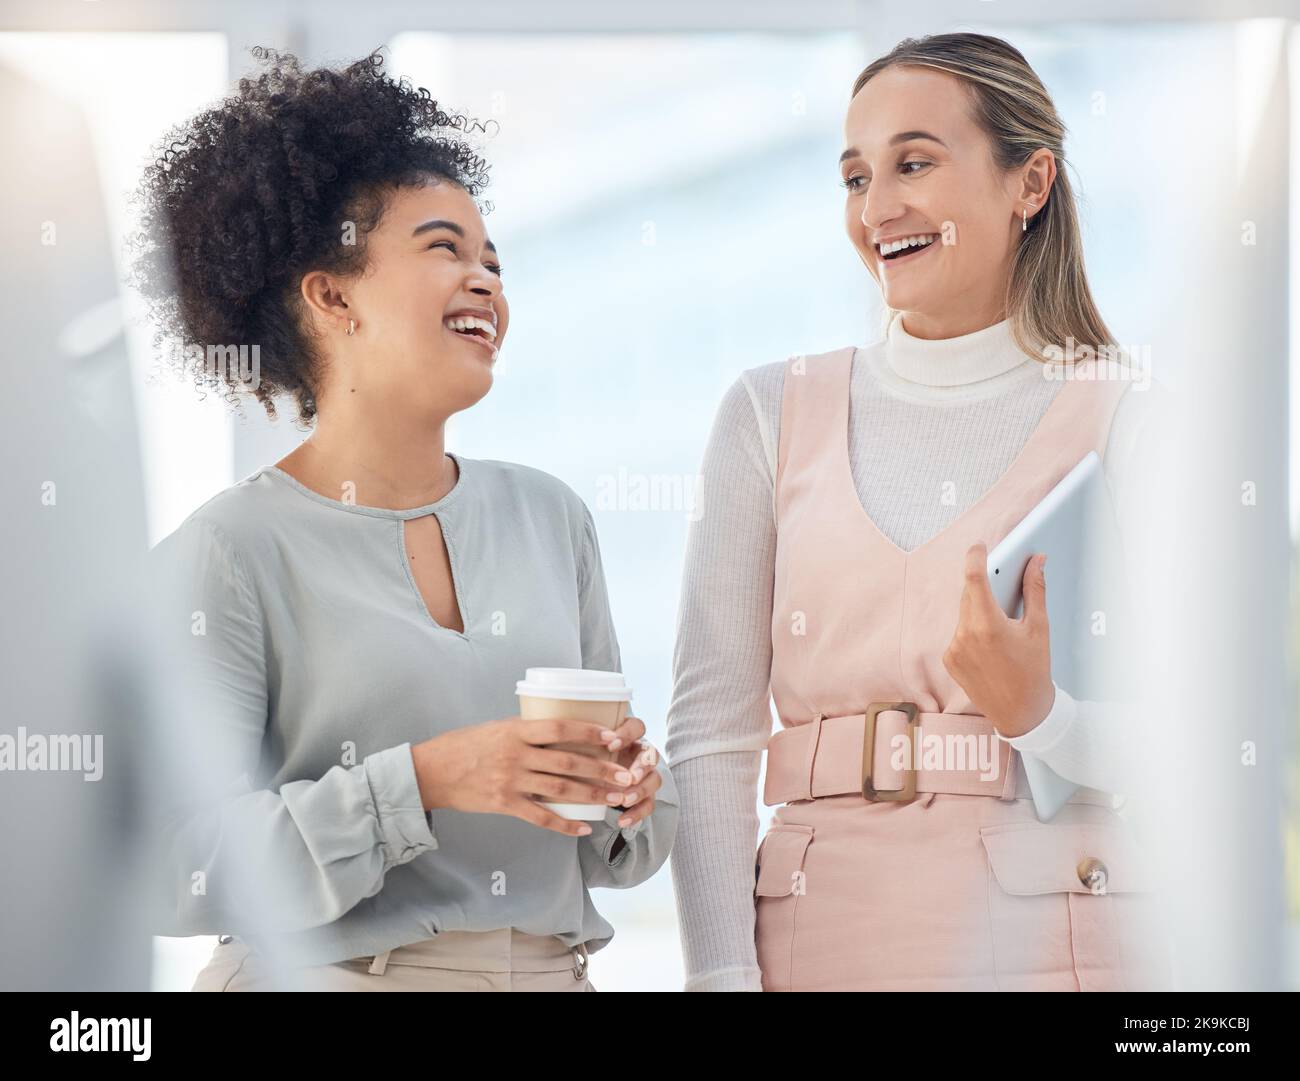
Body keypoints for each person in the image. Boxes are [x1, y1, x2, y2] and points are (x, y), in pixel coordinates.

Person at [134, 46, 678, 992]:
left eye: (493, 261)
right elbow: (169, 865)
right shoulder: (229, 553)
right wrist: (420, 783)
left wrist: (627, 792)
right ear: (331, 294)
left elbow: (611, 848)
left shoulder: (552, 517)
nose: (487, 283)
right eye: (444, 248)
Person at [667, 32, 1175, 992]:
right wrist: (719, 975)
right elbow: (711, 736)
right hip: (816, 934)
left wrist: (1044, 719)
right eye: (855, 177)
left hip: (1060, 941)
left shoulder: (1127, 419)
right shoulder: (766, 416)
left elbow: (1212, 743)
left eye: (913, 164)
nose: (876, 208)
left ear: (1030, 183)